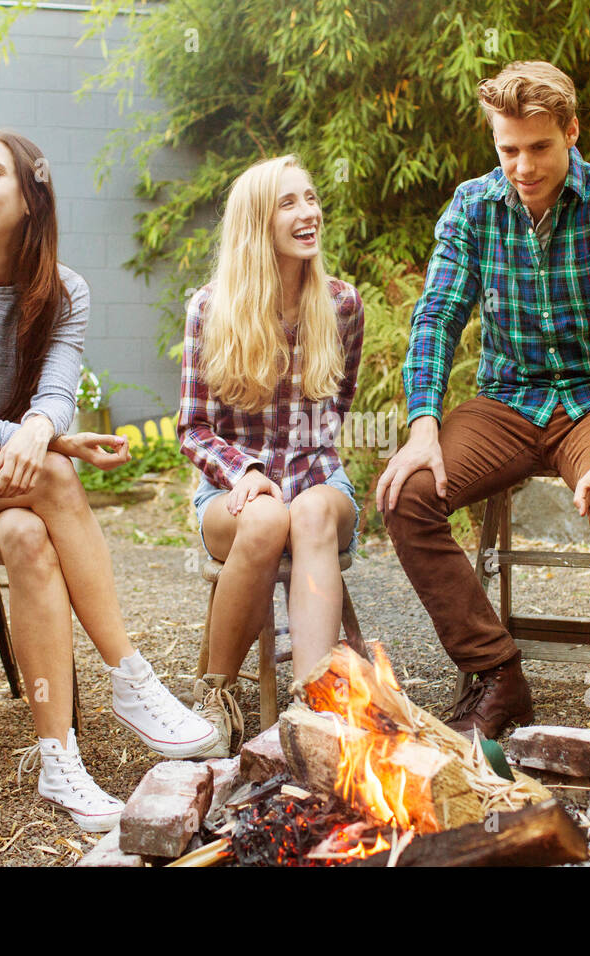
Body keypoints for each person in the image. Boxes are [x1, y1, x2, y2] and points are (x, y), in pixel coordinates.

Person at [0, 129, 218, 833]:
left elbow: (58, 391)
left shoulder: (65, 290)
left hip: (5, 491)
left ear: (31, 196)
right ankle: (130, 676)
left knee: (29, 537)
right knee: (55, 474)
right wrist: (44, 439)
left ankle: (58, 760)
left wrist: (46, 430)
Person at [376, 61, 590, 739]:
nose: (524, 166)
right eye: (509, 150)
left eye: (539, 148)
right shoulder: (472, 205)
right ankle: (499, 675)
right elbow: (437, 316)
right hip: (506, 399)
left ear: (571, 132)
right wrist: (422, 425)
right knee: (407, 493)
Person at [178, 155, 364, 757]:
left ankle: (316, 713)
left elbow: (339, 406)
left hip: (317, 480)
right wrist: (248, 472)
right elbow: (193, 428)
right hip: (233, 491)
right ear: (257, 222)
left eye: (311, 199)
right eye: (289, 203)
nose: (309, 213)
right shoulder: (210, 309)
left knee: (305, 514)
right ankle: (217, 698)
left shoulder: (341, 305)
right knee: (265, 518)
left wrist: (303, 472)